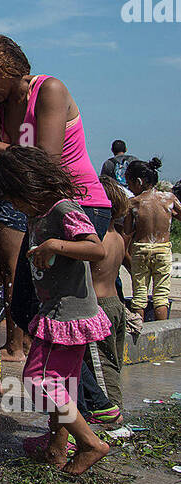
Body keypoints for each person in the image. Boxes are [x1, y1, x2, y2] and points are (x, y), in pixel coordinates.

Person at [0, 33, 113, 420]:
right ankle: (81, 408)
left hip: (78, 208)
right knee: (27, 309)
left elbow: (46, 160)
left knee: (60, 313)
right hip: (40, 216)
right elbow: (12, 174)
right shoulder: (0, 109)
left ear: (1, 68)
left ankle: (92, 407)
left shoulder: (49, 90)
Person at [0, 147, 111, 478]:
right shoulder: (38, 213)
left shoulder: (63, 210)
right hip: (60, 311)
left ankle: (89, 444)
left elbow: (96, 249)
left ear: (29, 186)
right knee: (64, 383)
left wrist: (55, 245)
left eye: (15, 198)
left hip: (67, 314)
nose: (14, 207)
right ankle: (58, 450)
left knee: (37, 379)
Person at [84, 177, 131, 425]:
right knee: (111, 362)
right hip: (116, 304)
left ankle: (112, 414)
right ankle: (110, 409)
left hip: (99, 307)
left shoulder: (98, 240)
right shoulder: (118, 238)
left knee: (100, 366)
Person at [125, 157, 181, 321]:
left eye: (130, 183)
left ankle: (138, 333)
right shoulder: (168, 198)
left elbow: (128, 230)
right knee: (161, 297)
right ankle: (162, 333)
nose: (129, 187)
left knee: (139, 296)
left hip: (141, 249)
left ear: (139, 181)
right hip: (162, 250)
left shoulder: (133, 202)